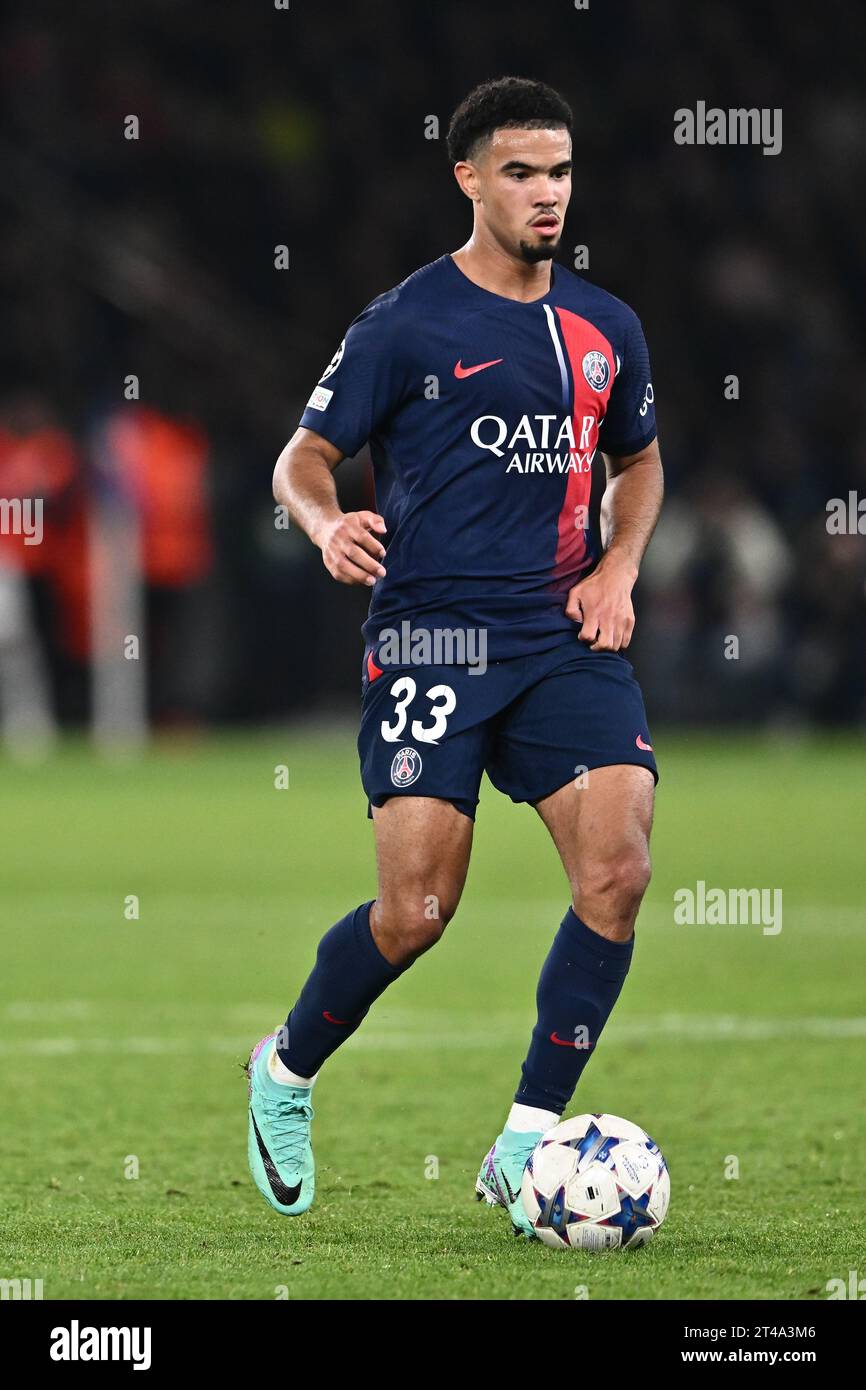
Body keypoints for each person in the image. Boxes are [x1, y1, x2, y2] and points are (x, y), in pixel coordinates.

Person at [250, 76, 664, 1239]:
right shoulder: (405, 324)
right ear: (468, 178)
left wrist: (618, 567)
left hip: (561, 638)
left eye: (561, 172)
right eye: (522, 172)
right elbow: (301, 456)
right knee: (417, 909)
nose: (547, 194)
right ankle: (283, 1071)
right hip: (432, 639)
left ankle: (527, 1142)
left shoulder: (606, 328)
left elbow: (638, 462)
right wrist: (328, 523)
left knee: (617, 869)